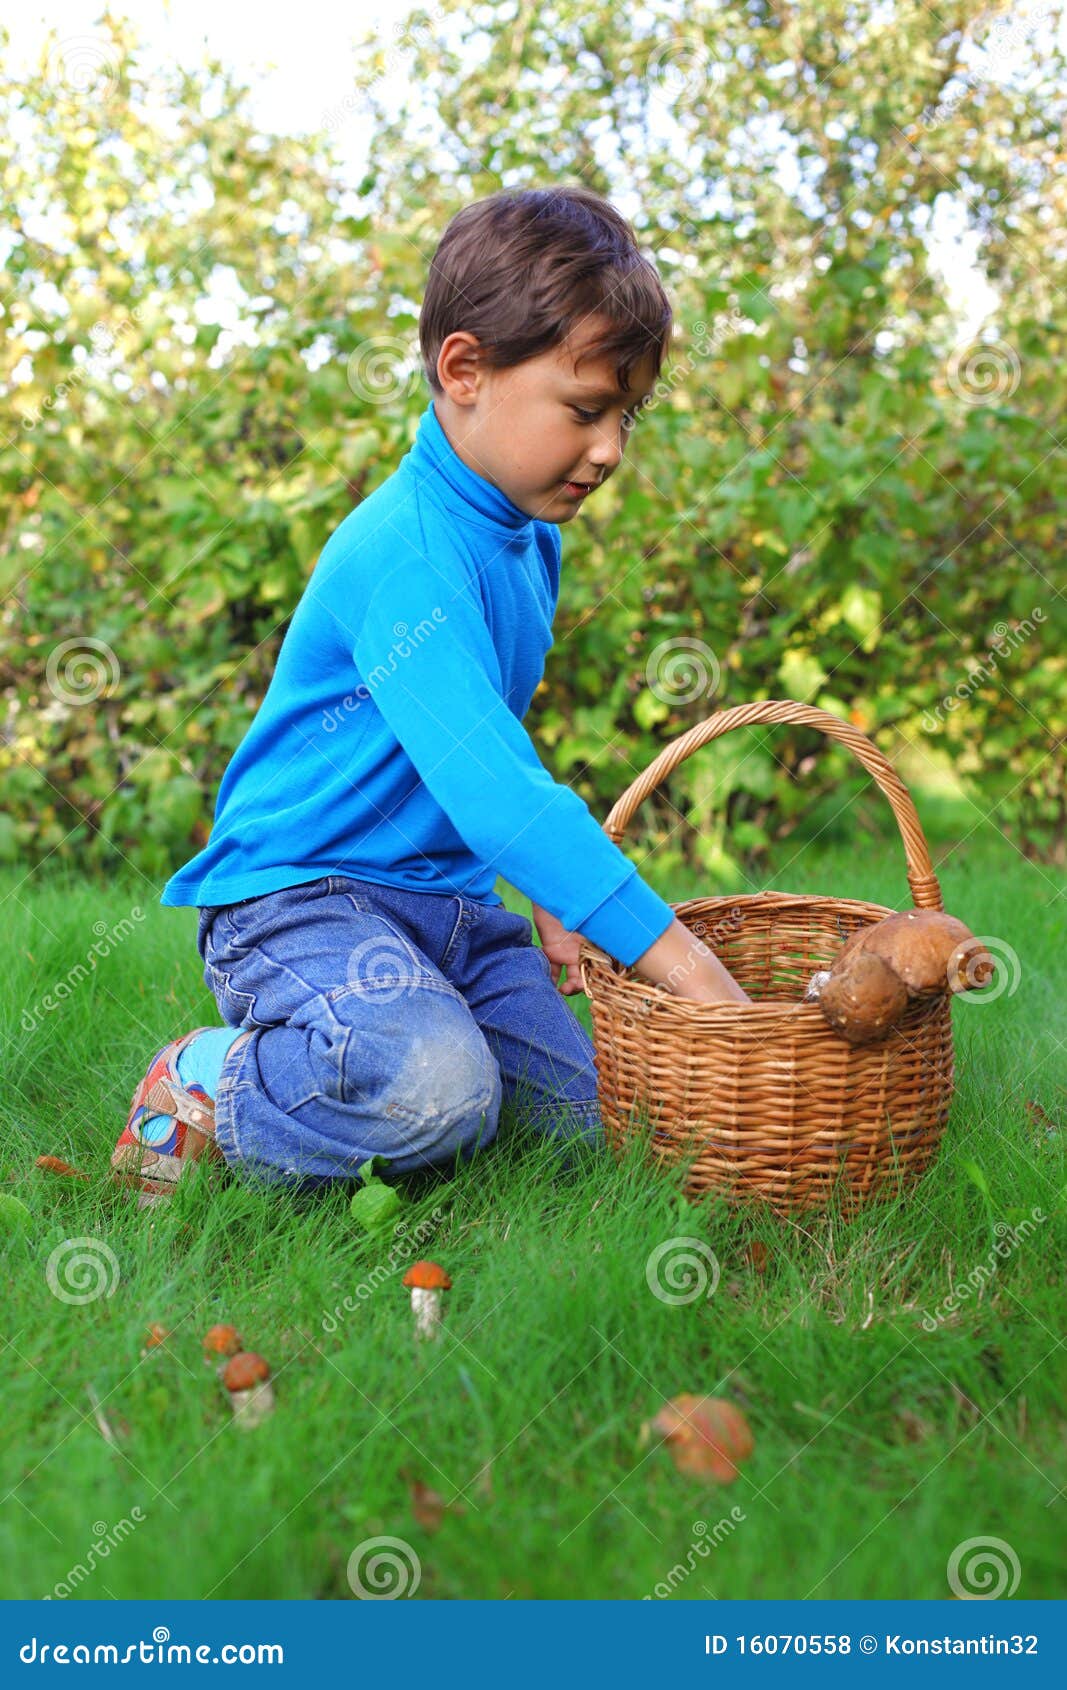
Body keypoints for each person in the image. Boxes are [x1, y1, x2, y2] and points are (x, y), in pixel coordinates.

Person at [113, 184, 750, 1208]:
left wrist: (548, 896)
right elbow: (496, 796)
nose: (609, 451)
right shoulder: (402, 552)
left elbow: (486, 748)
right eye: (584, 411)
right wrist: (680, 960)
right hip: (302, 896)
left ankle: (399, 1052)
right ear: (463, 370)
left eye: (624, 415)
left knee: (602, 1126)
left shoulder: (527, 536)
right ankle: (214, 1079)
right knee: (436, 1093)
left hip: (445, 909)